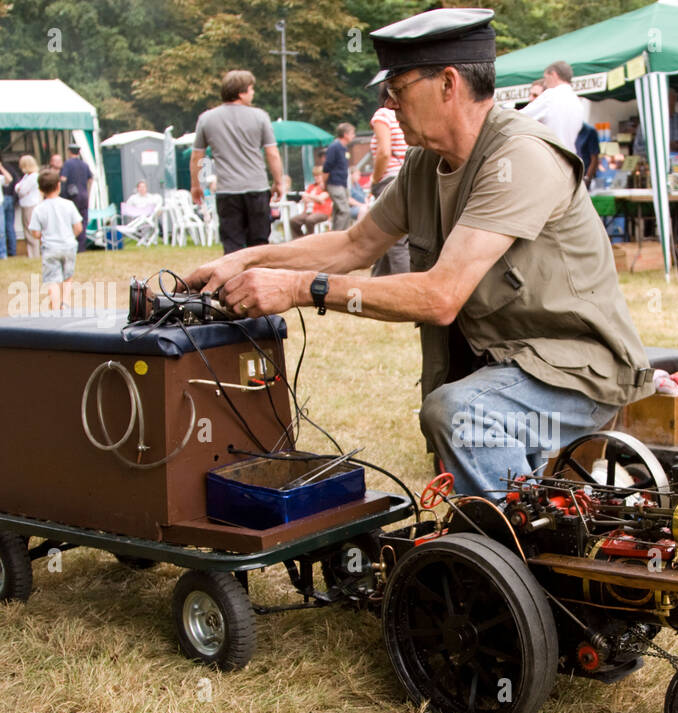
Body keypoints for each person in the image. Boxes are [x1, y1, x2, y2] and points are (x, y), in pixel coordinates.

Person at [182, 7, 653, 500]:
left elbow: (441, 296)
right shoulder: (426, 165)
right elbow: (354, 245)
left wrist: (301, 288)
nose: (388, 104)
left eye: (398, 88)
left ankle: (515, 555)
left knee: (463, 412)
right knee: (460, 413)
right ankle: (512, 533)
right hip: (506, 364)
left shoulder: (521, 157)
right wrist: (246, 260)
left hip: (577, 372)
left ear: (448, 84)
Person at [192, 70, 287, 253]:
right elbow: (272, 153)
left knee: (232, 244)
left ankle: (233, 281)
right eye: (251, 89)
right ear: (241, 92)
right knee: (259, 244)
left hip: (227, 191)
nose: (253, 93)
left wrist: (196, 185)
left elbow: (197, 156)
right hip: (257, 189)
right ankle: (258, 280)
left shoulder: (206, 119)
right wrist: (278, 182)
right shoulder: (260, 116)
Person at [27, 166, 83, 311]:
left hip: (50, 247)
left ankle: (56, 306)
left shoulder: (39, 209)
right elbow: (78, 227)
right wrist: (70, 236)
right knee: (68, 276)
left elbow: (35, 232)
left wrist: (42, 235)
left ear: (40, 189)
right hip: (69, 245)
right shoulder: (68, 205)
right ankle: (65, 303)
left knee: (52, 279)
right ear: (59, 185)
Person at [369, 82, 410, 275]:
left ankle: (405, 291)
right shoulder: (407, 116)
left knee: (393, 240)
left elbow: (383, 152)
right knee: (386, 238)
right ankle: (377, 285)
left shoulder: (383, 114)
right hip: (406, 177)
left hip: (389, 179)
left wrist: (375, 179)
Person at [521, 61, 586, 152]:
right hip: (569, 157)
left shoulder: (551, 95)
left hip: (550, 155)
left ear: (553, 74)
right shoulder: (577, 102)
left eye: (545, 78)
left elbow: (522, 117)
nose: (545, 83)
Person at [633, 89, 678, 156]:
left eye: (672, 105)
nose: (670, 108)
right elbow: (638, 149)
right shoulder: (647, 121)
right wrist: (662, 147)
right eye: (667, 105)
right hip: (653, 162)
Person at [59, 145, 93, 252]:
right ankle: (81, 247)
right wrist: (87, 191)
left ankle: (71, 245)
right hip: (84, 195)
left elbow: (63, 178)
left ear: (69, 152)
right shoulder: (84, 164)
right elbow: (90, 179)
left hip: (72, 196)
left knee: (71, 220)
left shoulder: (68, 164)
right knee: (83, 220)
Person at [323, 123, 354, 233]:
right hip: (335, 183)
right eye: (352, 133)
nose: (353, 136)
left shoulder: (344, 148)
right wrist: (324, 183)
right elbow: (326, 167)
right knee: (344, 211)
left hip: (342, 183)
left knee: (338, 211)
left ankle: (336, 234)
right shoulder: (334, 147)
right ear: (345, 134)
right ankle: (340, 236)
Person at [290, 167, 332, 238]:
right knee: (293, 221)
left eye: (318, 176)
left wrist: (309, 196)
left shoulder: (326, 187)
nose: (316, 178)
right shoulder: (311, 186)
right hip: (309, 212)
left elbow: (320, 199)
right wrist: (314, 198)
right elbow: (304, 198)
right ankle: (300, 239)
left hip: (322, 212)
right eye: (314, 176)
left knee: (310, 220)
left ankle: (310, 238)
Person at [14, 154, 42, 258]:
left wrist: (19, 188)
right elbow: (18, 187)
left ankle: (34, 254)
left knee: (31, 230)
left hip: (30, 205)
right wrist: (19, 188)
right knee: (27, 229)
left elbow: (22, 190)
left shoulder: (33, 177)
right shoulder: (27, 176)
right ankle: (31, 252)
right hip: (26, 204)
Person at [574, 121, 600, 188]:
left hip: (586, 178)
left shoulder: (590, 132)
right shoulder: (570, 131)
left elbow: (594, 160)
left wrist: (587, 180)